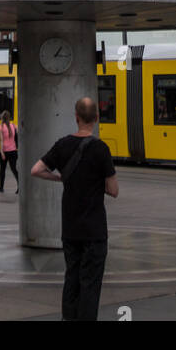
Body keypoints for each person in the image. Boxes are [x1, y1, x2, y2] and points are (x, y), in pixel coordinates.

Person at [31, 97, 118, 322]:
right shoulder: (101, 149)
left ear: (76, 117)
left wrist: (59, 178)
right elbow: (113, 190)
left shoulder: (62, 145)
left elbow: (36, 170)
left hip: (70, 228)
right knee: (90, 285)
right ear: (96, 118)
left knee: (72, 278)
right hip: (94, 230)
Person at [0, 111, 19, 194]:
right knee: (14, 169)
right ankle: (20, 186)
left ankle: (1, 187)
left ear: (2, 118)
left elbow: (1, 140)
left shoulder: (0, 127)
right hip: (13, 151)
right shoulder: (14, 126)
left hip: (5, 151)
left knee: (2, 170)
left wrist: (2, 152)